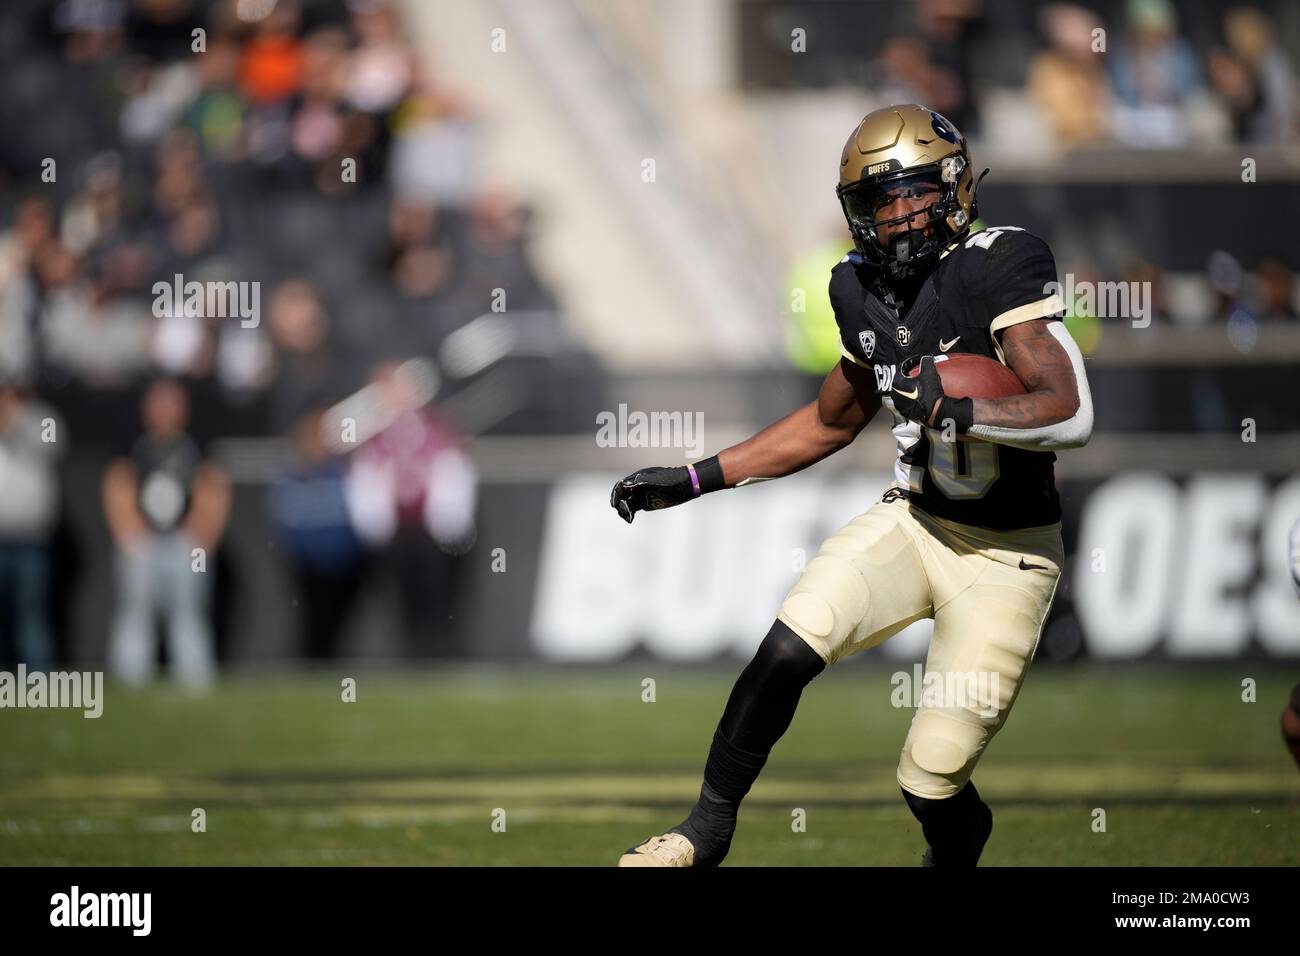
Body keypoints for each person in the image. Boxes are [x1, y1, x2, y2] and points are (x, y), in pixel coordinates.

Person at [611, 104, 1094, 867]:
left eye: (911, 194)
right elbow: (830, 422)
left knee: (930, 780)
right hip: (919, 521)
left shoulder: (998, 263)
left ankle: (960, 840)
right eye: (878, 202)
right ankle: (705, 831)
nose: (897, 218)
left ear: (955, 188)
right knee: (788, 644)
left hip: (1010, 555)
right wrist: (697, 478)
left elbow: (1070, 410)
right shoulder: (857, 287)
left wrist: (961, 407)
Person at [103, 377, 231, 687]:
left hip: (183, 544)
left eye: (171, 402)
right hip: (143, 543)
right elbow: (118, 486)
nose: (165, 410)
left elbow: (214, 489)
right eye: (158, 402)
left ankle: (194, 682)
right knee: (135, 613)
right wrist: (131, 536)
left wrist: (200, 537)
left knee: (188, 615)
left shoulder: (195, 445)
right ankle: (130, 681)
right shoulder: (134, 444)